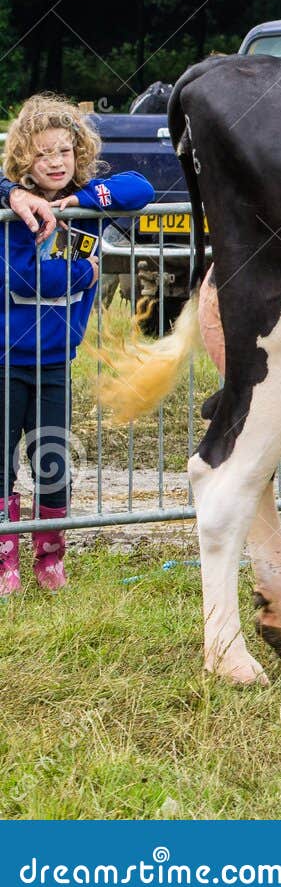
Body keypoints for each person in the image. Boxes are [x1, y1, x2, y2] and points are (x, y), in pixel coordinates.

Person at [1, 95, 154, 595]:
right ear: (25, 157)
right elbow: (22, 279)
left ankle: (51, 559)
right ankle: (6, 563)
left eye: (64, 151)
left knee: (53, 461)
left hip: (56, 362)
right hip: (6, 360)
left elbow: (141, 188)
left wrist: (92, 200)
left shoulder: (85, 202)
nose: (54, 162)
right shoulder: (18, 210)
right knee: (2, 462)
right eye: (43, 153)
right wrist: (84, 272)